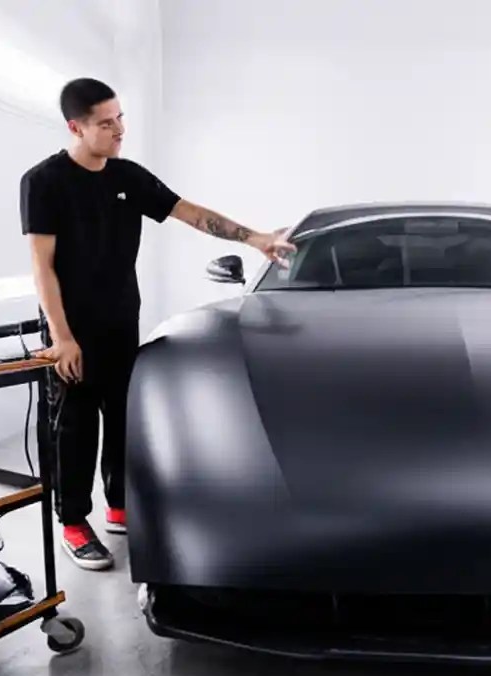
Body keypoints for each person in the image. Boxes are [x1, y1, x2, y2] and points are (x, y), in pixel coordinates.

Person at [20, 78, 295, 571]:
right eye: (106, 123)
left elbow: (188, 212)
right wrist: (61, 337)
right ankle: (73, 522)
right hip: (72, 330)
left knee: (125, 418)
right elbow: (42, 265)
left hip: (122, 322)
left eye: (120, 118)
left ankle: (120, 505)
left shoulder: (127, 176)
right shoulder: (44, 182)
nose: (119, 129)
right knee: (77, 428)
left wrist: (254, 238)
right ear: (76, 127)